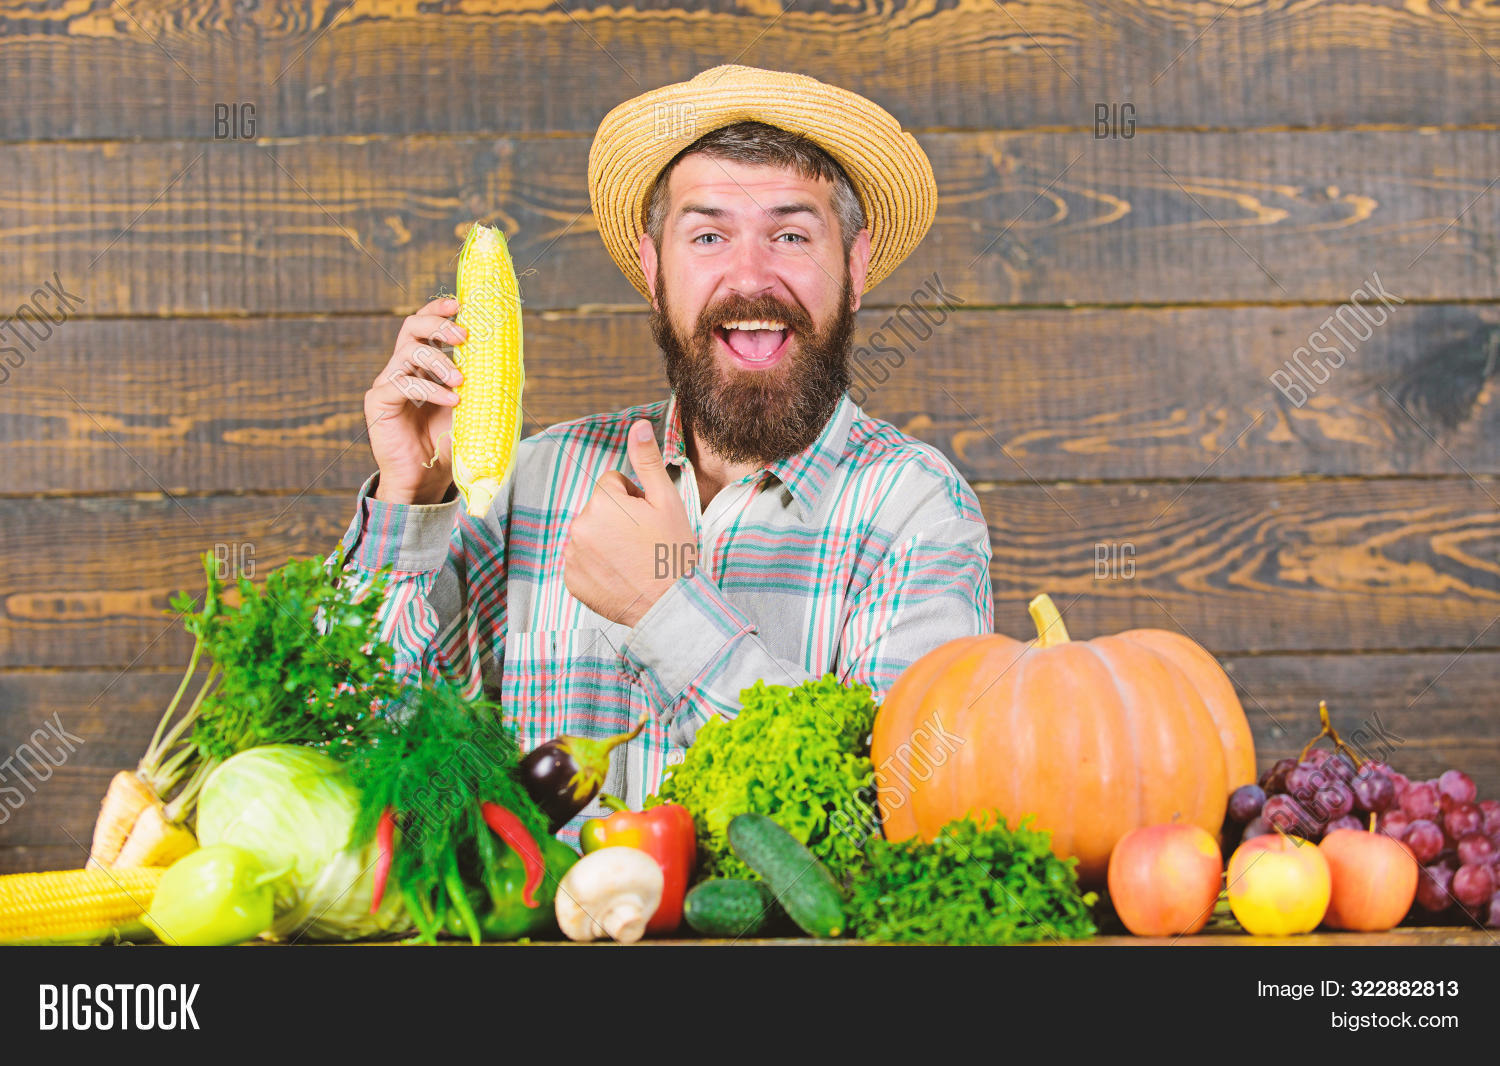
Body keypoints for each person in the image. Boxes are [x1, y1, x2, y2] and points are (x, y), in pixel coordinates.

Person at [336, 65, 993, 842]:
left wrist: (663, 610)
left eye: (791, 235)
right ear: (653, 272)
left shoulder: (918, 511)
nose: (750, 277)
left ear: (854, 268)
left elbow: (892, 808)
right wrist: (410, 500)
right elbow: (346, 742)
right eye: (708, 235)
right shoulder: (533, 484)